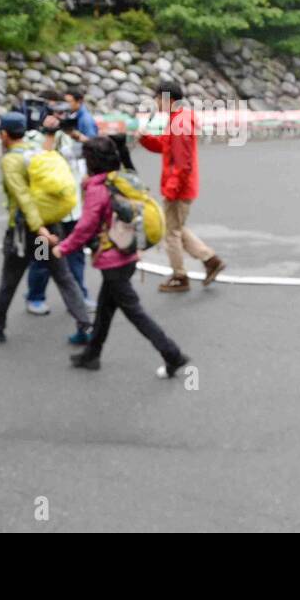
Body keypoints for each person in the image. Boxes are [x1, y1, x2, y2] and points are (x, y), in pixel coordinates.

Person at [55, 136, 189, 378]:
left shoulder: (98, 189)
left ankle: (172, 354)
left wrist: (62, 248)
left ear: (91, 162)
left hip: (113, 260)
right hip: (128, 253)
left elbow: (86, 227)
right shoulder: (121, 180)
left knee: (134, 312)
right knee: (106, 308)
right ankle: (92, 354)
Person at [0, 112, 93, 344]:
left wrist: (39, 230)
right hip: (50, 227)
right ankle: (85, 325)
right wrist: (46, 231)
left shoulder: (11, 160)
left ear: (5, 134)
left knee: (10, 278)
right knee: (63, 276)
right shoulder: (34, 150)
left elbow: (23, 197)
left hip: (26, 232)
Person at [138, 79, 225, 292]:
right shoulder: (178, 120)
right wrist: (145, 139)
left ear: (168, 99)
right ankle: (209, 259)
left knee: (172, 233)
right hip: (180, 185)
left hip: (178, 187)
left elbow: (182, 163)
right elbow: (167, 148)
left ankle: (180, 275)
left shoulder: (180, 123)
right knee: (176, 227)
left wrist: (172, 189)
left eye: (158, 99)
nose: (157, 104)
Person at [25, 91, 92, 316]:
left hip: (73, 209)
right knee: (42, 256)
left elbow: (89, 154)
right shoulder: (34, 137)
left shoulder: (69, 136)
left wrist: (77, 135)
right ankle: (35, 296)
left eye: (64, 114)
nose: (60, 118)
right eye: (56, 114)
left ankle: (80, 295)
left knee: (76, 255)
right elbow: (39, 163)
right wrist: (50, 134)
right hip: (48, 213)